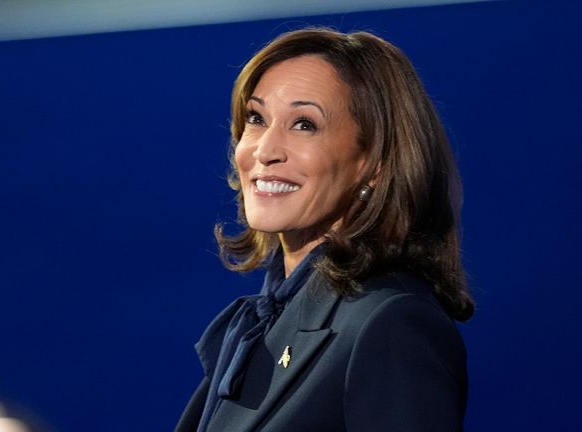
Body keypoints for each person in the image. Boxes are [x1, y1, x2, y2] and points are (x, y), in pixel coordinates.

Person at [176, 28, 474, 432]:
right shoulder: (259, 326)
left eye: (304, 125)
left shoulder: (391, 323)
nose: (265, 151)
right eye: (256, 118)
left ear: (374, 163)